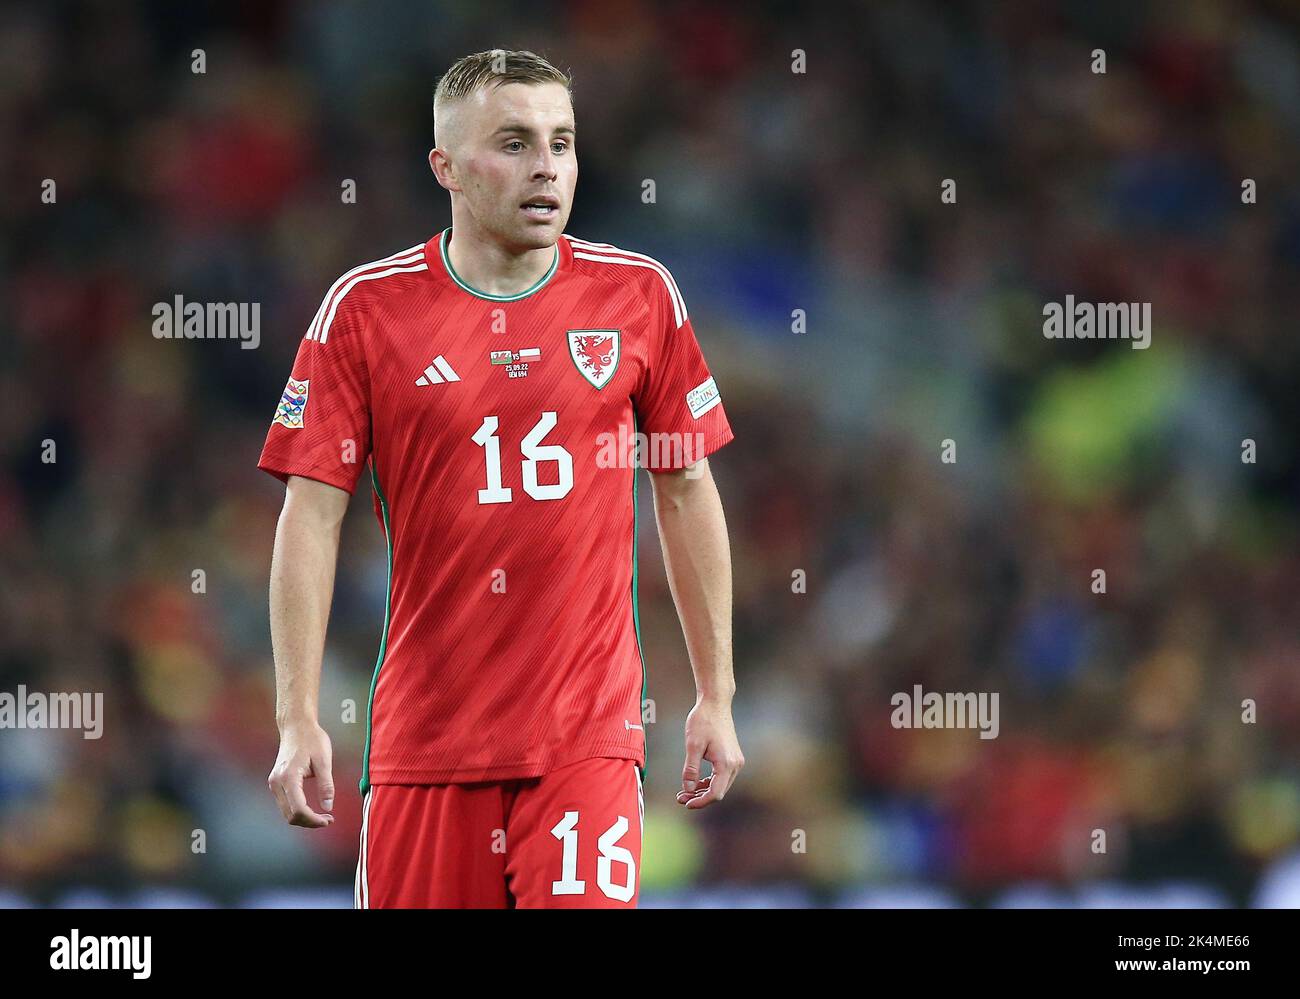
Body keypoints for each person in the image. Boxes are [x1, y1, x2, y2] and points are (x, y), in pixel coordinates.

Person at [259, 48, 742, 908]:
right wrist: (298, 717)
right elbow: (311, 516)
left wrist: (716, 691)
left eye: (561, 142)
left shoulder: (639, 296)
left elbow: (684, 487)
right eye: (514, 143)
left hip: (585, 738)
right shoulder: (366, 311)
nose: (547, 167)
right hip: (426, 743)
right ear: (445, 167)